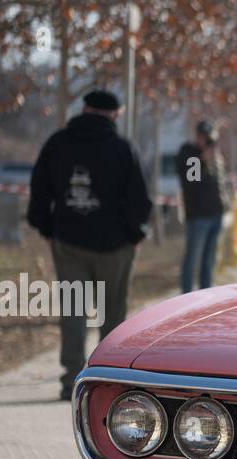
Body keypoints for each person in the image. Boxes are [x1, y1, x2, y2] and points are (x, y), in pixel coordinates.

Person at [27, 89, 151, 399]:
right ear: (115, 114)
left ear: (84, 109)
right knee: (113, 315)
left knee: (73, 312)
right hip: (116, 246)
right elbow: (139, 199)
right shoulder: (122, 148)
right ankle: (109, 384)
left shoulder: (58, 143)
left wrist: (46, 227)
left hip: (69, 242)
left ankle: (71, 380)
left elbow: (40, 189)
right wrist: (135, 235)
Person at [175, 120, 227, 294]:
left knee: (209, 261)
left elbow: (219, 183)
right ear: (197, 136)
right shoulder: (190, 153)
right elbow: (192, 184)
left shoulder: (215, 156)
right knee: (192, 260)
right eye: (204, 138)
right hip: (198, 216)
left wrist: (224, 205)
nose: (206, 142)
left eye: (209, 139)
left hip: (216, 214)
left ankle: (206, 297)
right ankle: (186, 296)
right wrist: (203, 160)